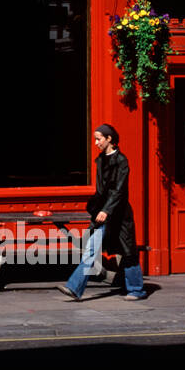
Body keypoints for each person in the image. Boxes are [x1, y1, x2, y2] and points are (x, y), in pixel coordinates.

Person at [58, 124, 148, 301]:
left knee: (128, 251)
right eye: (95, 139)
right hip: (102, 213)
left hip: (119, 215)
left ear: (109, 139)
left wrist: (106, 210)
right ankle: (75, 288)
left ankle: (136, 289)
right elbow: (102, 190)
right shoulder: (100, 160)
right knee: (91, 248)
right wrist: (97, 207)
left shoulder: (121, 161)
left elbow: (119, 190)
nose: (96, 142)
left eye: (99, 138)